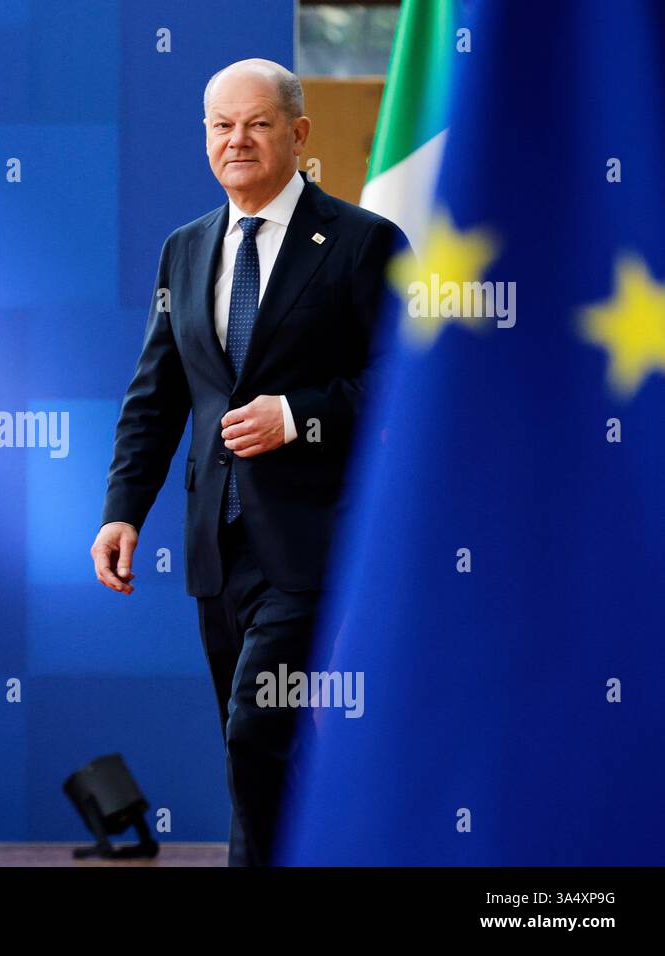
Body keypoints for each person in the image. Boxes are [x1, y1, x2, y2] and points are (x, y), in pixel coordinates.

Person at [90, 58, 408, 866]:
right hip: (218, 555)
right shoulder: (185, 250)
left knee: (257, 732)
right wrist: (123, 510)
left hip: (318, 548)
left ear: (298, 135)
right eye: (222, 126)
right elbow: (157, 397)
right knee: (266, 754)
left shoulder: (364, 244)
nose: (238, 140)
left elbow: (409, 388)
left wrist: (299, 416)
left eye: (258, 123)